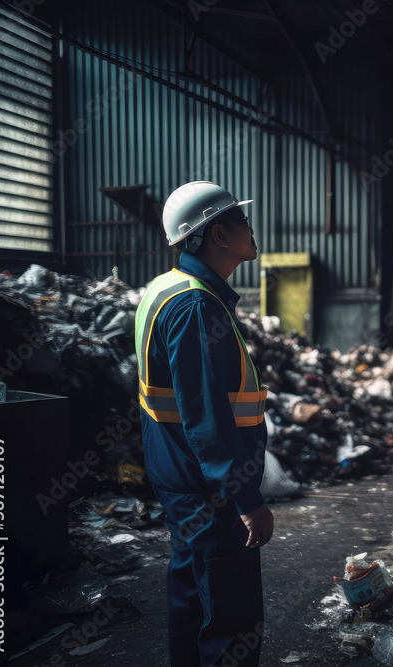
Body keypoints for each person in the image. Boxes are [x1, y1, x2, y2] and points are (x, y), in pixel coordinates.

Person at [135, 181, 271, 666]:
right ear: (217, 235)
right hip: (208, 486)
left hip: (177, 474)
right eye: (242, 221)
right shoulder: (194, 304)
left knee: (192, 601)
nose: (251, 230)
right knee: (232, 620)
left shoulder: (165, 288)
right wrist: (247, 499)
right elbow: (206, 416)